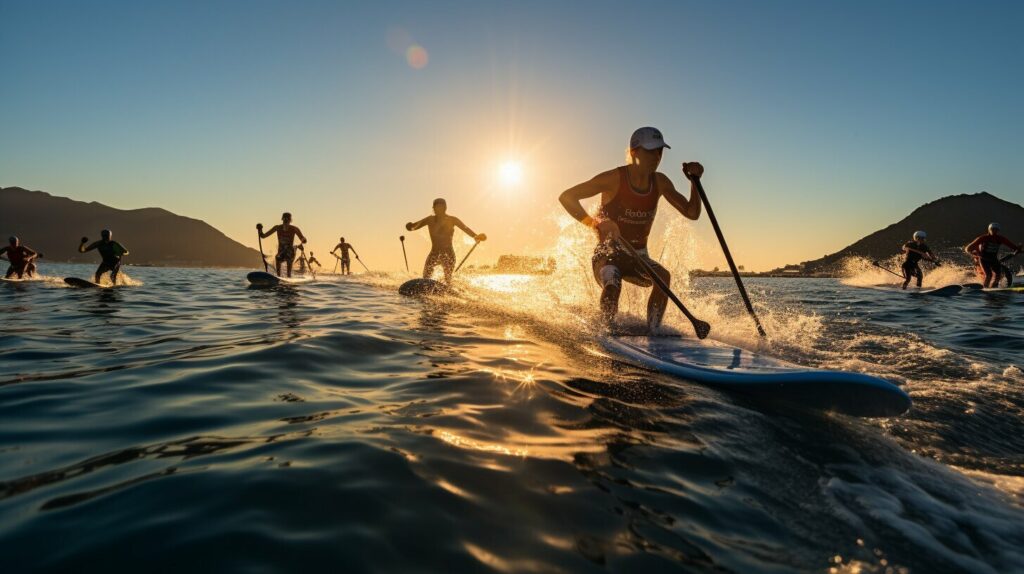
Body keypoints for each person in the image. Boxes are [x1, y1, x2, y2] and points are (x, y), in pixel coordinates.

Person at [559, 126, 703, 331]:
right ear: (634, 151)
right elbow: (567, 197)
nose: (657, 156)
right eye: (651, 151)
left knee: (663, 277)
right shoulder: (613, 178)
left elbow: (692, 213)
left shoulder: (660, 182)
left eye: (660, 151)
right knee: (612, 283)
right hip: (608, 254)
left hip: (638, 258)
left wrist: (695, 183)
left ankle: (654, 331)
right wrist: (596, 223)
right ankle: (607, 329)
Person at [405, 199, 486, 283]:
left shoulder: (452, 219)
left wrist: (476, 236)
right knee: (425, 278)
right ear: (434, 208)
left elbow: (465, 228)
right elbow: (415, 226)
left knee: (447, 280)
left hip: (448, 254)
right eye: (437, 207)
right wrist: (410, 226)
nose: (439, 209)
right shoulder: (429, 219)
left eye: (442, 206)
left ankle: (448, 288)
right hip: (434, 254)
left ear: (445, 208)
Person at [965, 223, 1021, 287]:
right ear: (989, 230)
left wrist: (1018, 249)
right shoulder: (983, 238)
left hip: (994, 259)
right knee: (989, 275)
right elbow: (968, 248)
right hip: (984, 259)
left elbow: (1013, 247)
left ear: (998, 231)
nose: (994, 231)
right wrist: (977, 254)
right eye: (993, 229)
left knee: (998, 275)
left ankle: (993, 287)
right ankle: (985, 288)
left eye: (996, 230)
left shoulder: (1001, 238)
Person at [257, 212, 307, 278]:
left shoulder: (294, 229)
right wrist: (260, 229)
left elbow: (304, 240)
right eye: (284, 220)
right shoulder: (277, 228)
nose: (286, 222)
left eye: (287, 220)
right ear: (282, 219)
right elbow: (263, 236)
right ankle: (278, 277)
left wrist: (303, 240)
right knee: (277, 258)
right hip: (281, 252)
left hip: (290, 251)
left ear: (290, 221)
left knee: (288, 260)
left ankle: (288, 277)